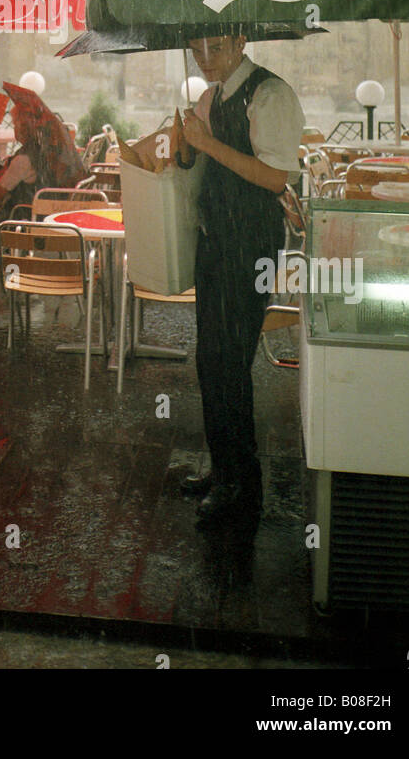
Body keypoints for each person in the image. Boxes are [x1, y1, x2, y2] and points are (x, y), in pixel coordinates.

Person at [180, 33, 305, 529]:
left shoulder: (271, 95)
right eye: (196, 50)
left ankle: (242, 485)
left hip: (251, 244)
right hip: (214, 239)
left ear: (240, 40)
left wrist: (207, 142)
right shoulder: (212, 98)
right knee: (209, 357)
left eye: (214, 48)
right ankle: (222, 467)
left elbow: (277, 178)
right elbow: (204, 164)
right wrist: (185, 147)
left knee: (232, 359)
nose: (205, 59)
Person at [0, 81, 86, 238]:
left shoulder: (24, 159)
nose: (15, 128)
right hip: (57, 217)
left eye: (16, 123)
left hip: (27, 221)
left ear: (25, 126)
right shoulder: (51, 149)